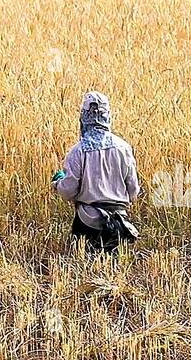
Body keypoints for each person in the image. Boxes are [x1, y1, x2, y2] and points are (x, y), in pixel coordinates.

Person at [54, 92, 140, 254]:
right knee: (115, 272)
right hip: (118, 223)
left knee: (84, 271)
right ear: (108, 116)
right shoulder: (123, 148)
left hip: (88, 223)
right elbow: (133, 191)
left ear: (84, 117)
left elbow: (68, 191)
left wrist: (59, 182)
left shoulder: (78, 151)